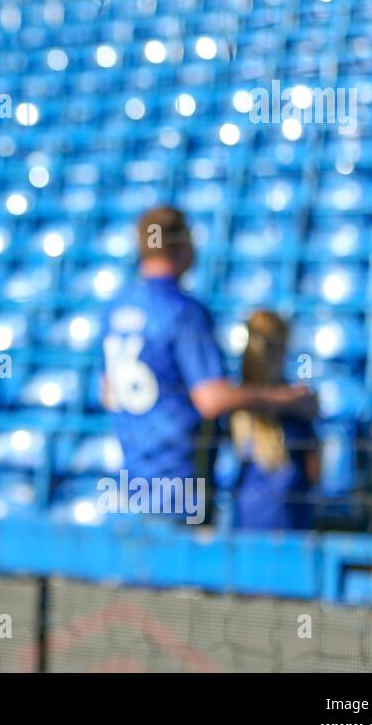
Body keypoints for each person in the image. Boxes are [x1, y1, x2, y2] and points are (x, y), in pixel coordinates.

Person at [99, 206, 316, 518]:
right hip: (178, 487)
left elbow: (108, 392)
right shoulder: (183, 311)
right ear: (183, 245)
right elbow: (210, 399)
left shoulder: (115, 308)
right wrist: (283, 399)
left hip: (131, 483)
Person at [230, 310, 318, 530]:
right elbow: (314, 469)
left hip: (245, 523)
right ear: (282, 349)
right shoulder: (297, 406)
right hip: (287, 524)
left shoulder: (234, 401)